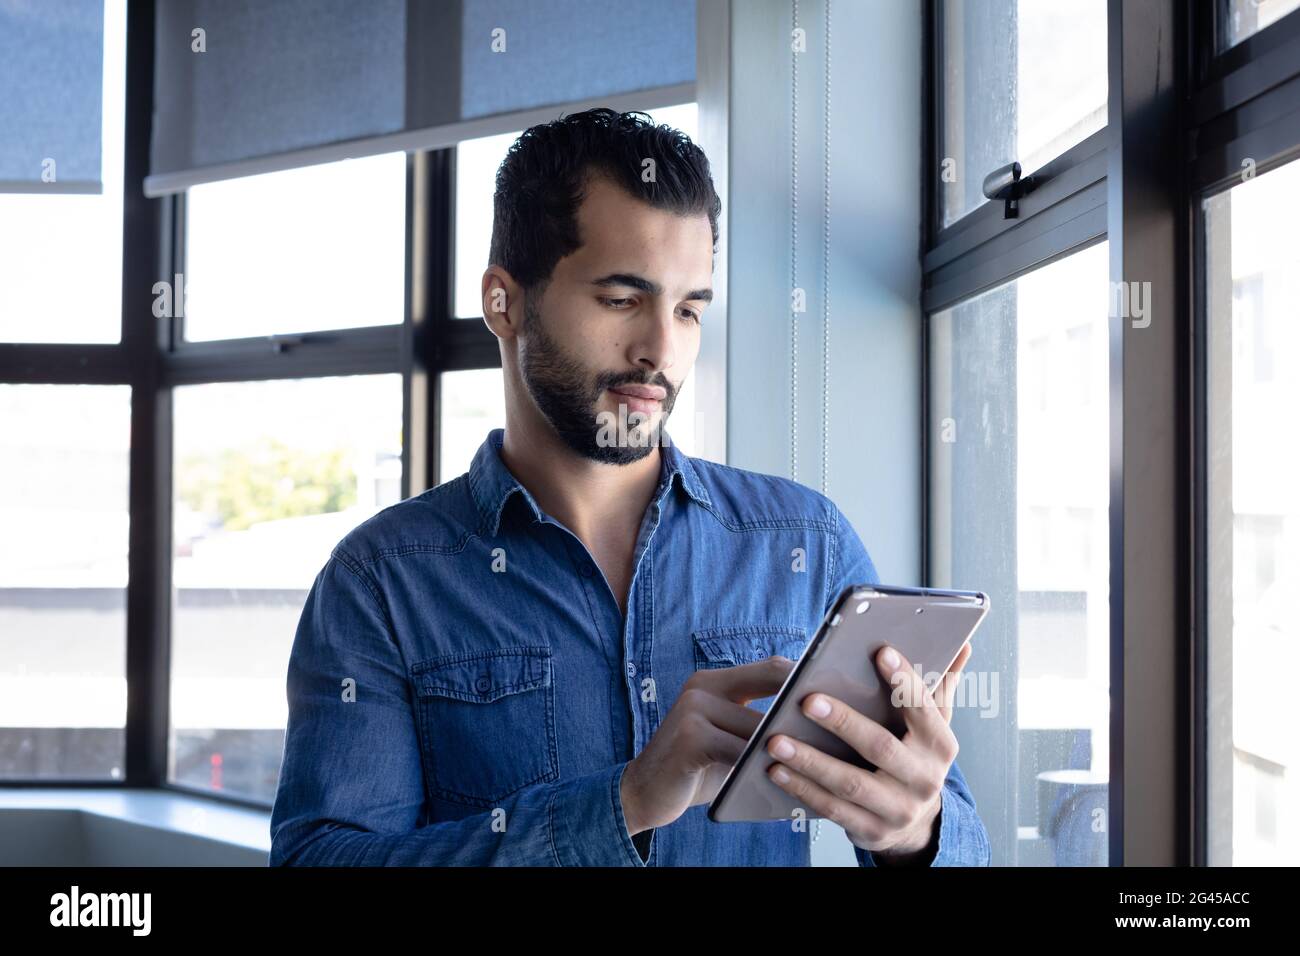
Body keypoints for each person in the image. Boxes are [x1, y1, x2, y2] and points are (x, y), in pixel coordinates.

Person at [269, 108, 990, 866]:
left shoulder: (806, 540)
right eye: (621, 300)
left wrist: (916, 833)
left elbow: (964, 845)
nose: (661, 350)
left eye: (688, 310)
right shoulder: (380, 581)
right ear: (502, 302)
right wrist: (624, 803)